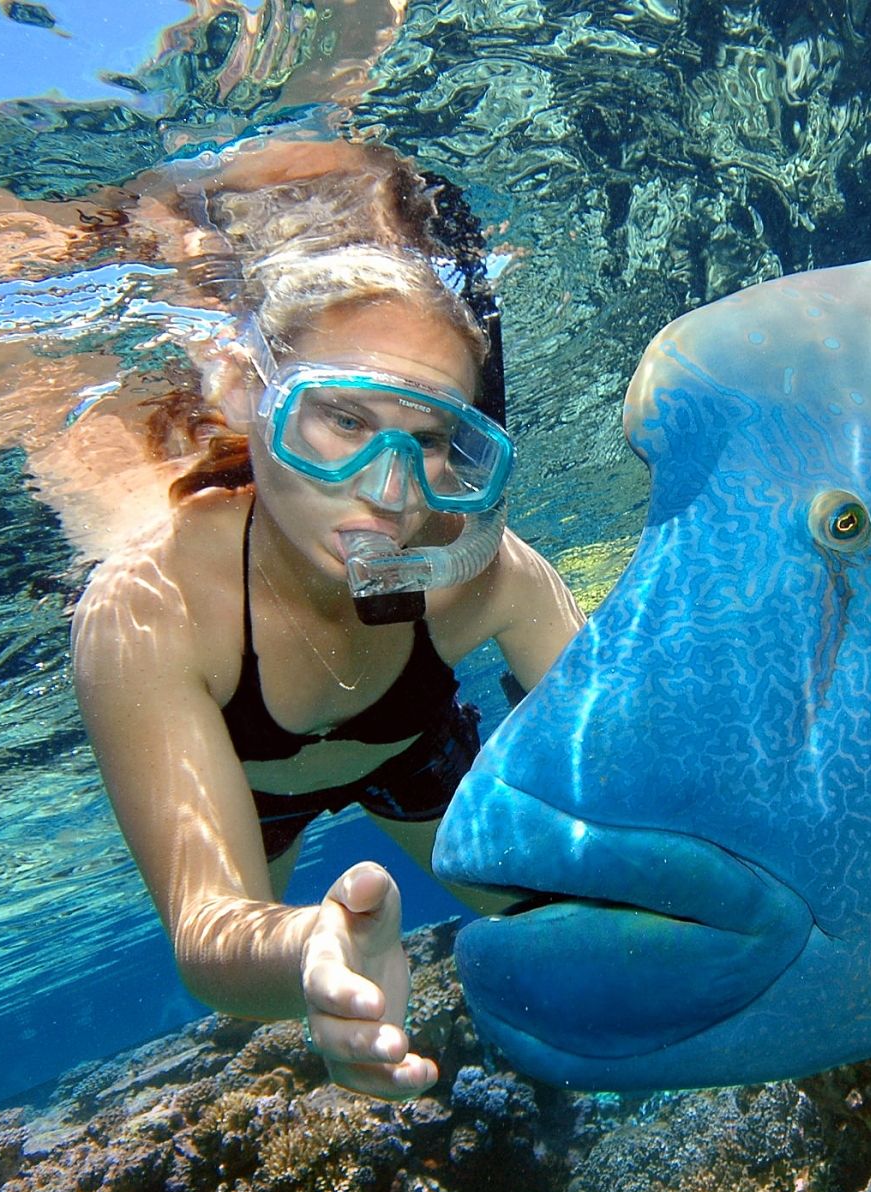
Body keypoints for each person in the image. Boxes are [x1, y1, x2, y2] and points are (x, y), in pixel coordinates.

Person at [70, 138, 584, 1101]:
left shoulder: (483, 576)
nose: (387, 496)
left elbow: (634, 747)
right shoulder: (154, 608)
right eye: (341, 422)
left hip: (408, 745)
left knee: (534, 904)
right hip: (257, 789)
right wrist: (312, 945)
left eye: (432, 440)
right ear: (245, 393)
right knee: (249, 1000)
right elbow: (209, 932)